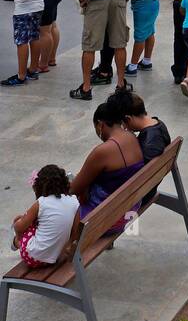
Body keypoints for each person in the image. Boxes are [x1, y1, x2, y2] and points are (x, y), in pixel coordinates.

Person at [70, 92, 146, 232]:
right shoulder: (132, 137)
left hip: (107, 219)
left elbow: (73, 189)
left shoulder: (103, 151)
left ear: (100, 125)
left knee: (52, 211)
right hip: (130, 209)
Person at [12, 165, 80, 268]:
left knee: (19, 220)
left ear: (40, 186)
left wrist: (18, 235)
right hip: (57, 255)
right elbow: (75, 230)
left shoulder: (41, 202)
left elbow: (18, 227)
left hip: (33, 258)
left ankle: (16, 243)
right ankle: (18, 243)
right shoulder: (74, 201)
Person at [116, 90, 172, 162]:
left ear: (128, 119)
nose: (124, 127)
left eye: (123, 123)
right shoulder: (158, 123)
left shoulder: (149, 144)